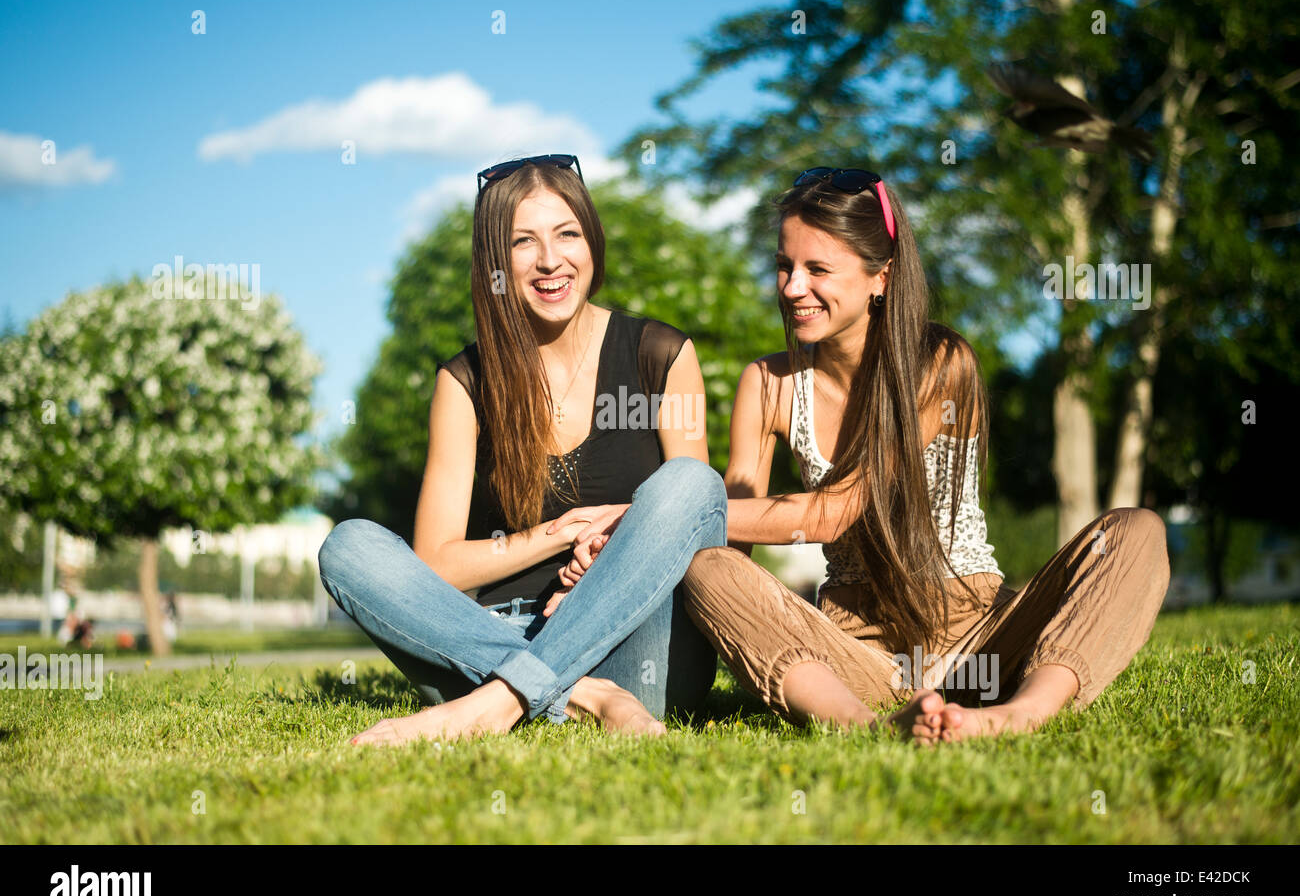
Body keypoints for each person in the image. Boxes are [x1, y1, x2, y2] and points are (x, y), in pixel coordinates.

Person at [557, 167, 1170, 743]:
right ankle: (869, 726)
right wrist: (628, 563)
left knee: (1134, 531)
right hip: (852, 654)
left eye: (818, 269)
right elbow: (728, 539)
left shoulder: (939, 365)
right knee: (706, 568)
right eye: (783, 266)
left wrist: (643, 517)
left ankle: (1017, 715)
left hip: (982, 641)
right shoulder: (767, 384)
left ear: (881, 277)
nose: (793, 288)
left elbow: (832, 513)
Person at [317, 154, 725, 746]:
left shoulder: (659, 354)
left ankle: (499, 701)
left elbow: (694, 518)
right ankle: (580, 695)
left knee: (692, 481)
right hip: (490, 639)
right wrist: (560, 533)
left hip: (639, 649)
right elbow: (438, 564)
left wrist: (611, 546)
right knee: (349, 546)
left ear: (592, 242)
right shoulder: (465, 382)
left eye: (567, 234)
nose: (550, 260)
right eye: (523, 242)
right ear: (494, 263)